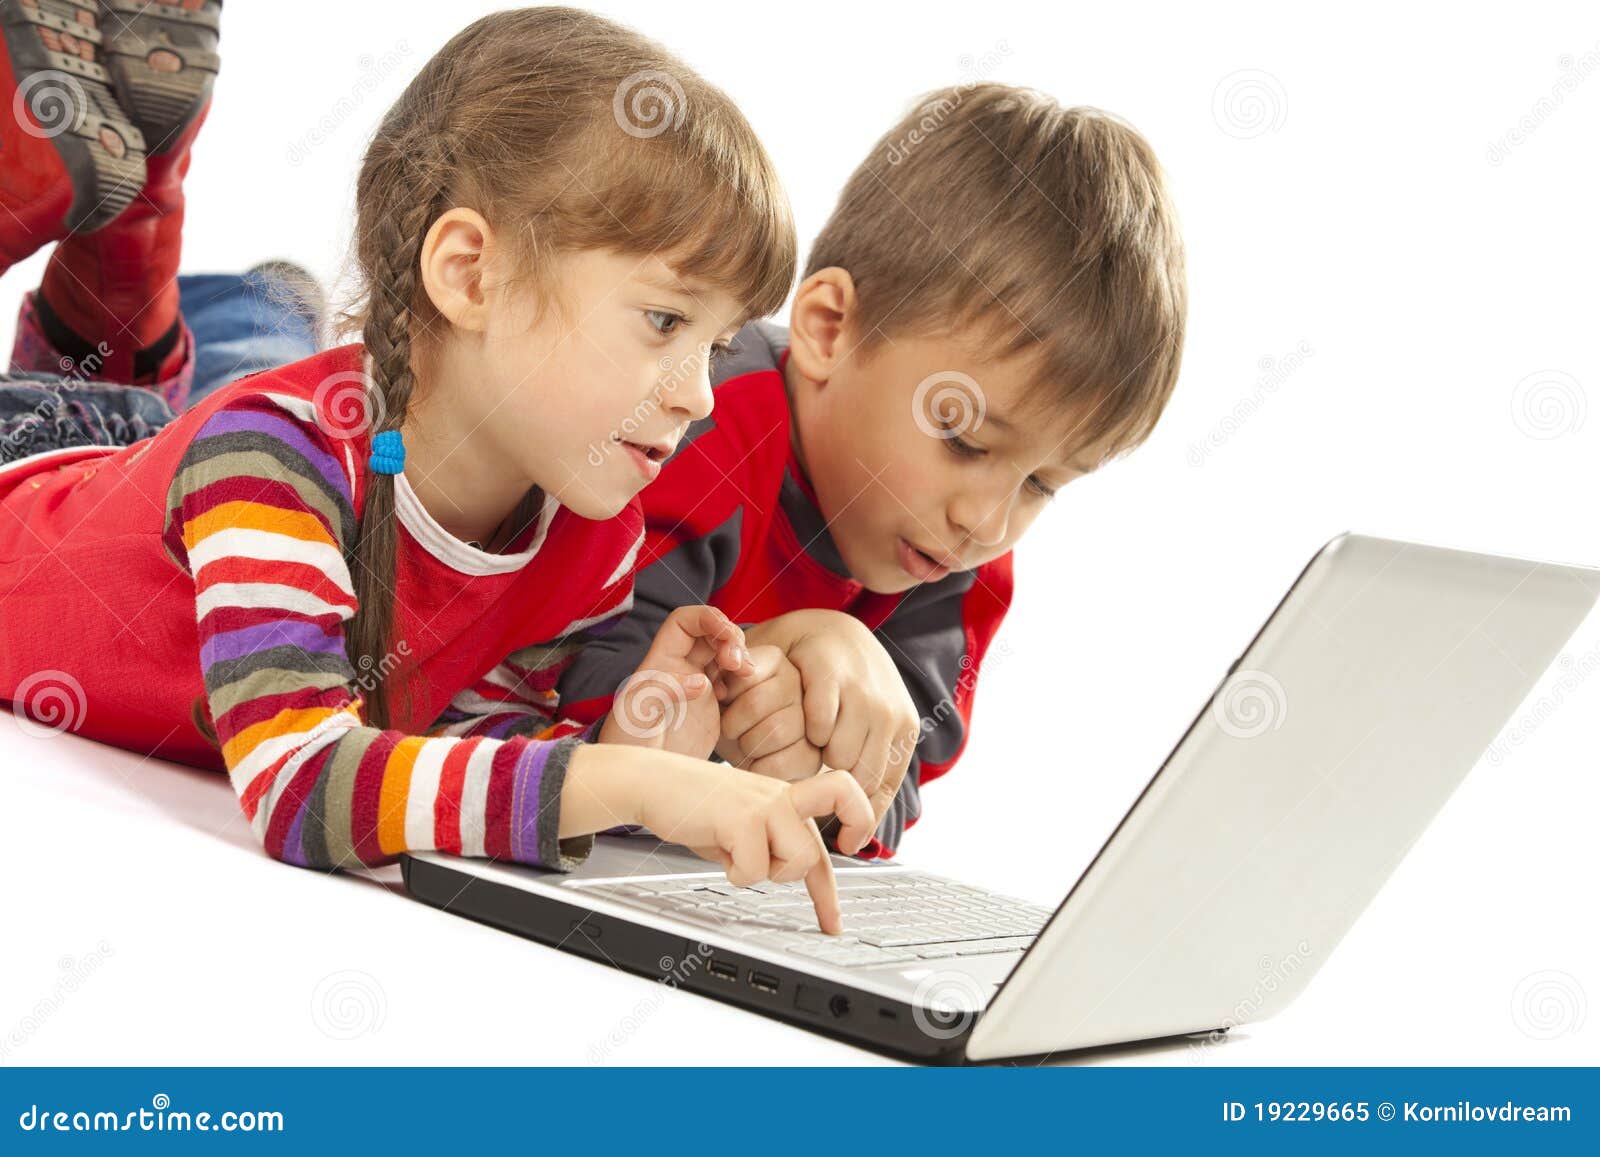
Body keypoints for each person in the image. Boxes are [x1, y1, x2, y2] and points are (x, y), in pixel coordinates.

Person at [0, 6, 877, 933]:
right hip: (29, 458)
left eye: (721, 343)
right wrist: (632, 784)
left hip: (146, 451)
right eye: (666, 322)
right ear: (470, 274)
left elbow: (447, 734)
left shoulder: (593, 533)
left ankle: (138, 232)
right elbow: (302, 786)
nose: (701, 395)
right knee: (232, 362)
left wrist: (628, 747)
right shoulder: (271, 458)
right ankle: (123, 215)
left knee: (261, 321)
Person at [556, 84, 1189, 859]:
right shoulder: (697, 423)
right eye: (963, 439)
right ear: (829, 328)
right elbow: (566, 709)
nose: (987, 521)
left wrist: (812, 782)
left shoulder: (954, 551)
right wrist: (780, 650)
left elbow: (889, 799)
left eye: (1042, 485)